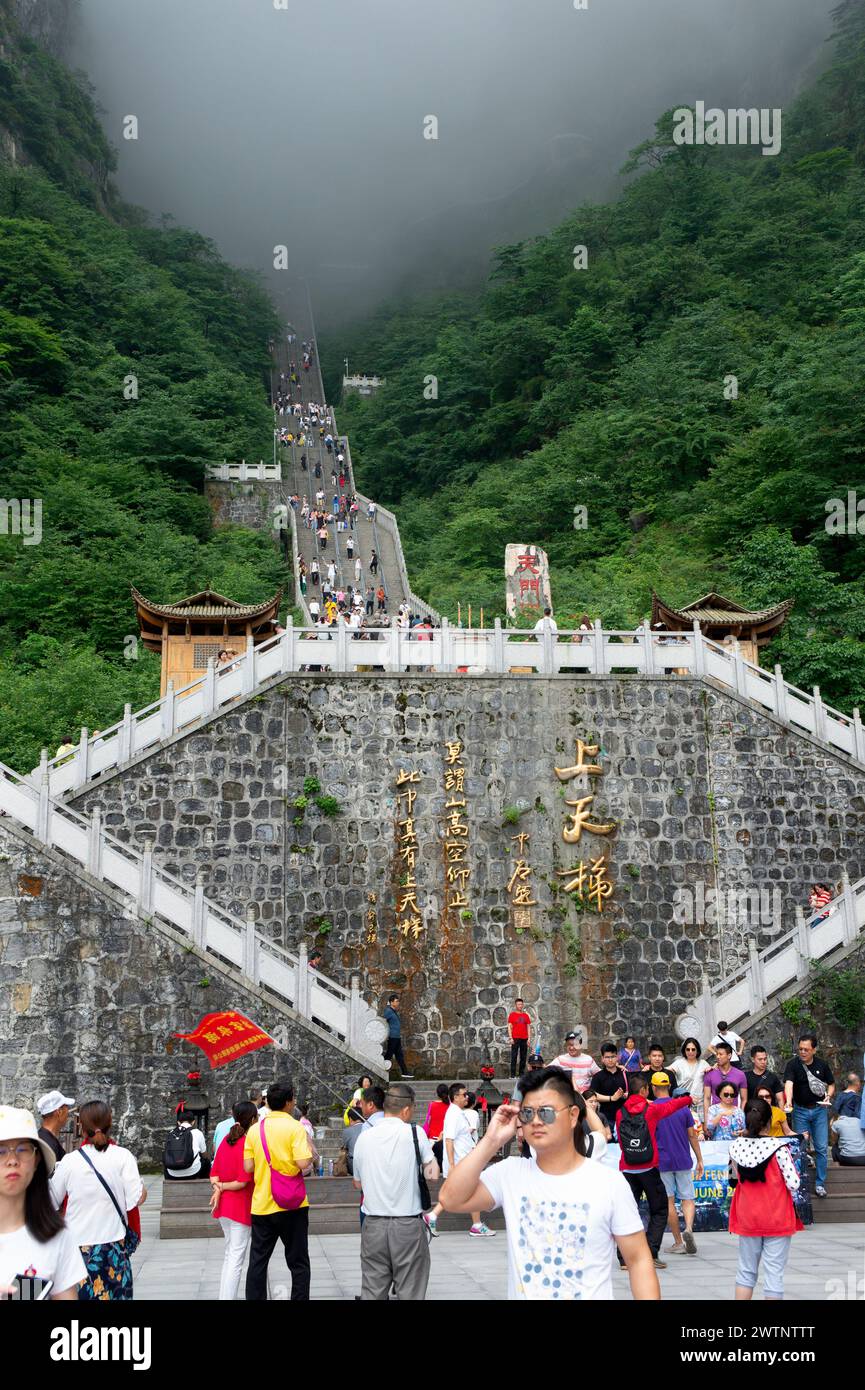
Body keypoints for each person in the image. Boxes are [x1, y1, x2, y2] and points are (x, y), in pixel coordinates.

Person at [439, 1067, 659, 1300]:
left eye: (546, 1112)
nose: (535, 1121)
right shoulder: (511, 1173)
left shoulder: (609, 1183)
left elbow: (638, 1261)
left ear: (573, 1115)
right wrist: (491, 1140)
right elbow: (451, 1199)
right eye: (527, 1113)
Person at [50, 1100, 144, 1301]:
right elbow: (133, 1199)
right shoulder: (123, 1157)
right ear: (110, 1123)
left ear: (81, 1128)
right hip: (114, 1250)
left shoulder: (69, 1162)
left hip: (78, 1252)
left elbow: (52, 1200)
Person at [352, 1083, 439, 1300]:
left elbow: (357, 1183)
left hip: (373, 1225)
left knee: (372, 1290)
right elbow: (432, 1174)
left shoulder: (364, 1137)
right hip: (408, 1225)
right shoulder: (415, 1133)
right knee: (410, 1290)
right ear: (407, 1109)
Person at [0, 1105, 86, 1300]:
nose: (12, 1160)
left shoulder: (56, 1237)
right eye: (1, 1151)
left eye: (22, 1150)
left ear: (36, 1159)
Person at [243, 1080, 314, 1301]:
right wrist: (309, 1155)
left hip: (263, 1204)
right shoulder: (295, 1128)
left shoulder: (255, 1129)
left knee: (258, 1261)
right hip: (292, 1204)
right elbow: (303, 1163)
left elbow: (248, 1167)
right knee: (298, 1261)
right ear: (288, 1102)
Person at [615, 1074, 693, 1268]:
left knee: (626, 1212)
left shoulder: (619, 1112)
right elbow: (672, 1106)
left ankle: (624, 1258)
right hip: (649, 1167)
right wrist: (688, 1098)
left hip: (627, 1168)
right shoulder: (652, 1110)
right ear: (643, 1091)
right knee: (658, 1210)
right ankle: (650, 1252)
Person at [729, 1099, 802, 1301]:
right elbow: (794, 1183)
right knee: (774, 1273)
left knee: (746, 1270)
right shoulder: (779, 1148)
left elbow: (733, 1180)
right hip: (776, 1215)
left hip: (747, 1215)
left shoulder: (735, 1147)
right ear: (770, 1121)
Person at [424, 1083, 496, 1238]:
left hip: (464, 1160)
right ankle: (476, 1225)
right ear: (455, 1097)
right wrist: (451, 1165)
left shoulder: (457, 1112)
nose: (466, 1097)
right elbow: (448, 1140)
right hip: (460, 1162)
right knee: (471, 1190)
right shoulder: (454, 1114)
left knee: (463, 1192)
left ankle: (433, 1216)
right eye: (464, 1094)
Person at [649, 1072, 703, 1256]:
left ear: (653, 1087)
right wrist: (700, 1159)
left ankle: (679, 1241)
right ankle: (688, 1228)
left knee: (669, 1200)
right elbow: (692, 1135)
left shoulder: (651, 1109)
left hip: (662, 1160)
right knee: (687, 1197)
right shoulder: (683, 1108)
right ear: (669, 1087)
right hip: (682, 1158)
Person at [210, 1101, 257, 1301]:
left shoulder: (225, 1141)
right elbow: (241, 1182)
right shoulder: (247, 1143)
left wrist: (219, 1188)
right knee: (236, 1260)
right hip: (239, 1207)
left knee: (230, 1256)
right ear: (252, 1120)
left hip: (224, 1207)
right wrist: (223, 1187)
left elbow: (214, 1175)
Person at [783, 1032, 834, 1198]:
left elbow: (831, 1084)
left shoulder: (822, 1065)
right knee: (800, 1147)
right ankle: (800, 1183)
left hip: (819, 1110)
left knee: (820, 1148)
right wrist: (788, 1101)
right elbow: (789, 1084)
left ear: (814, 1050)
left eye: (806, 1049)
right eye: (800, 1049)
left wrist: (828, 1095)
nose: (802, 1052)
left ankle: (820, 1184)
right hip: (800, 1110)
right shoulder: (793, 1065)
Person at [703, 1041, 748, 1125]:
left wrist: (741, 1118)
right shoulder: (709, 1073)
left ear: (729, 1056)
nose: (718, 1057)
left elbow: (744, 1099)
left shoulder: (740, 1075)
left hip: (733, 1117)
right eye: (716, 1054)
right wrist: (706, 1121)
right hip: (715, 1117)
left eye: (721, 1054)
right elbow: (707, 1098)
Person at [588, 1042, 628, 1134]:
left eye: (613, 1056)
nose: (610, 1060)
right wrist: (612, 1098)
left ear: (617, 1057)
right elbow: (592, 1095)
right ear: (602, 1059)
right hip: (606, 1119)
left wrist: (626, 1094)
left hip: (625, 1118)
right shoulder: (598, 1076)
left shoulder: (625, 1073)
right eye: (607, 1057)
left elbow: (633, 1092)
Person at [163, 1110, 210, 1181]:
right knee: (206, 1161)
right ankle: (204, 1185)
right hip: (193, 1173)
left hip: (172, 1174)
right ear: (193, 1122)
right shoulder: (197, 1132)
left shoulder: (171, 1133)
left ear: (178, 1122)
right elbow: (204, 1154)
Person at [36, 1090, 75, 1165]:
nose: (68, 1112)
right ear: (59, 1112)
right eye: (66, 1107)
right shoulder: (49, 1146)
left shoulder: (42, 1136)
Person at [669, 1038, 708, 1103]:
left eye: (693, 1049)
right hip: (682, 1103)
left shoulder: (703, 1063)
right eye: (688, 1049)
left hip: (699, 1103)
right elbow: (665, 1072)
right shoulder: (679, 1063)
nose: (690, 1052)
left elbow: (713, 1077)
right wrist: (651, 1067)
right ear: (684, 1050)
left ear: (697, 1050)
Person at [382, 995, 412, 1077]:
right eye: (396, 1001)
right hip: (392, 1037)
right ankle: (381, 1068)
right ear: (391, 1002)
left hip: (396, 1037)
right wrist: (386, 1034)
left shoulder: (393, 1011)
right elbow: (383, 1022)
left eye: (398, 1001)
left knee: (399, 1055)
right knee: (389, 1055)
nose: (398, 1003)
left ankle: (405, 1072)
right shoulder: (388, 1011)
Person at [422, 1082, 450, 1170]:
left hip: (433, 1136)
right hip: (446, 1136)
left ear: (437, 1093)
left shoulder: (432, 1105)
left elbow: (428, 1120)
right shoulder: (450, 1106)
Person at [507, 997, 532, 1077]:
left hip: (524, 1038)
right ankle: (512, 1075)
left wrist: (529, 1038)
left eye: (521, 1004)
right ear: (516, 1005)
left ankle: (521, 1074)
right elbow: (509, 1026)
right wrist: (510, 1038)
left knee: (523, 1057)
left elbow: (528, 1027)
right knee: (514, 1056)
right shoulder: (512, 1015)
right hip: (515, 1038)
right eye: (518, 1004)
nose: (520, 1006)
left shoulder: (526, 1016)